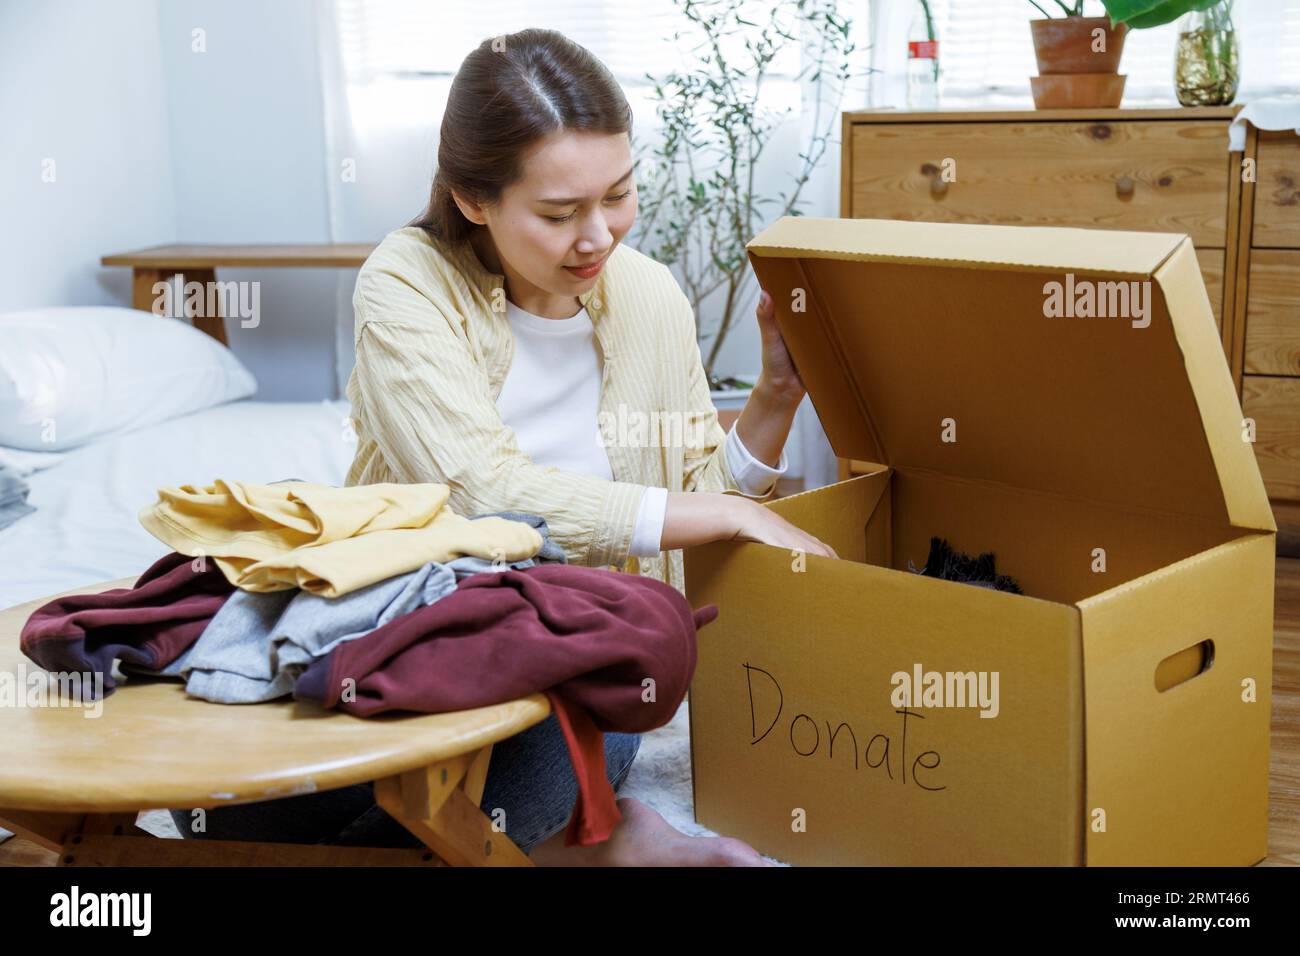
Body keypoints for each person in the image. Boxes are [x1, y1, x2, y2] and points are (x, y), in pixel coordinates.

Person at [172, 26, 835, 867]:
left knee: (540, 769)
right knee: (236, 809)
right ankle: (600, 845)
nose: (599, 235)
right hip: (414, 629)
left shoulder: (649, 294)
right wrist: (722, 514)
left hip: (567, 653)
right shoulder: (405, 282)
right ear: (473, 198)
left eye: (618, 195)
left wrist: (776, 396)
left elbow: (693, 491)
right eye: (560, 214)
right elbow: (484, 493)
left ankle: (588, 836)